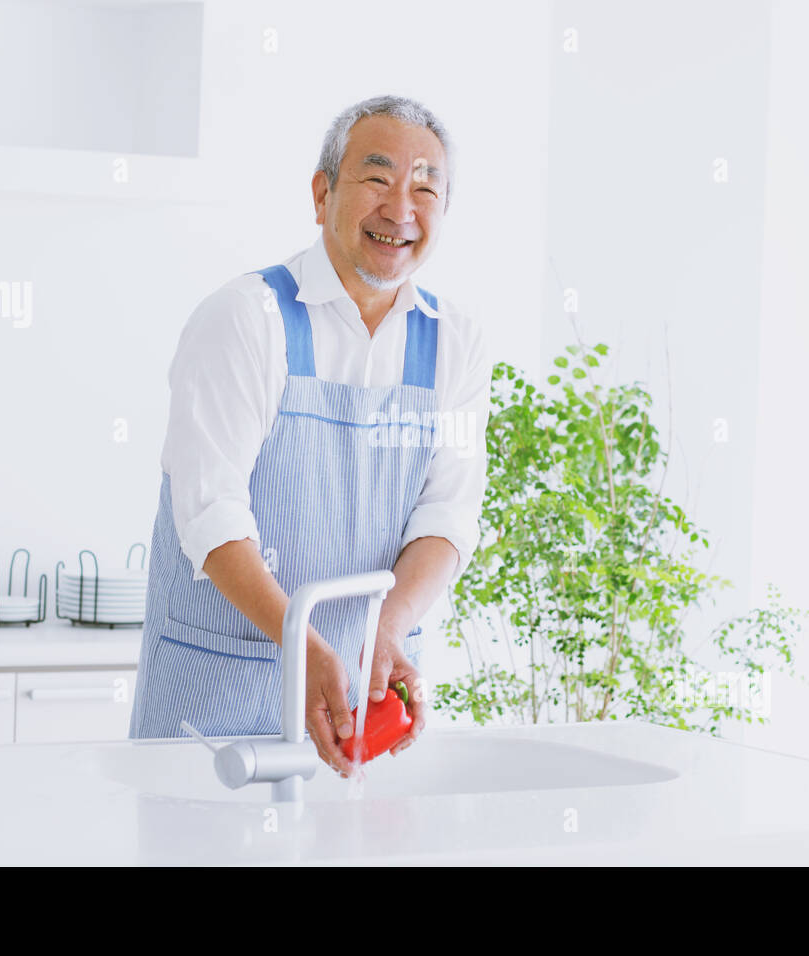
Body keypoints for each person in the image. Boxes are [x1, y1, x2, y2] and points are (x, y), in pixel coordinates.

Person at [128, 95, 491, 777]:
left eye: (425, 188)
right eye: (377, 179)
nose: (400, 209)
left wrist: (386, 629)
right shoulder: (245, 319)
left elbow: (449, 514)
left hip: (362, 706)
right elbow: (210, 514)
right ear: (323, 193)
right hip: (214, 713)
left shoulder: (456, 344)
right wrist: (301, 645)